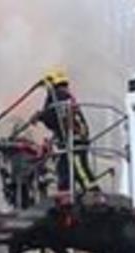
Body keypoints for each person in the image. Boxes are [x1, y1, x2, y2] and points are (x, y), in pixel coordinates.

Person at [31, 67, 94, 197]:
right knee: (64, 169)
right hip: (73, 138)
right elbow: (60, 120)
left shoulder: (57, 95)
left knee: (79, 168)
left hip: (74, 140)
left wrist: (40, 116)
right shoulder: (66, 95)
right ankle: (65, 194)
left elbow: (53, 115)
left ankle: (94, 193)